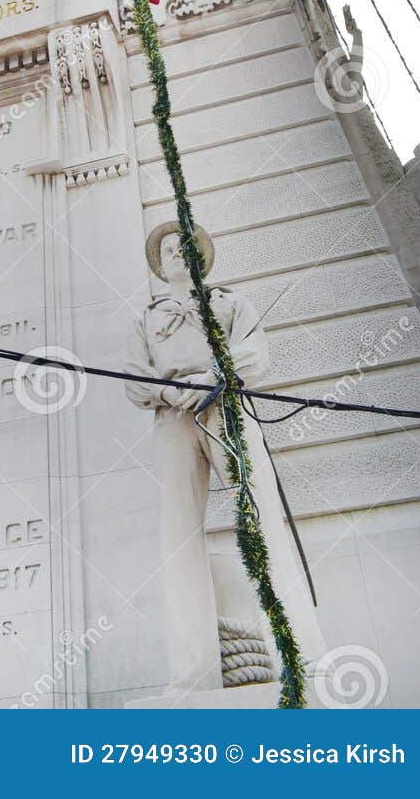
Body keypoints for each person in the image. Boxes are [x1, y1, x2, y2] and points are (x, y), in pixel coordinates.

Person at [124, 222, 322, 694]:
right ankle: (193, 671)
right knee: (178, 531)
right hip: (172, 418)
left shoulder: (231, 304)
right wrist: (170, 390)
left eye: (183, 247)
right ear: (159, 262)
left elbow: (254, 352)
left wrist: (215, 375)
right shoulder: (144, 319)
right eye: (167, 249)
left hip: (227, 404)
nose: (175, 253)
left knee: (260, 514)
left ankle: (300, 653)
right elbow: (133, 376)